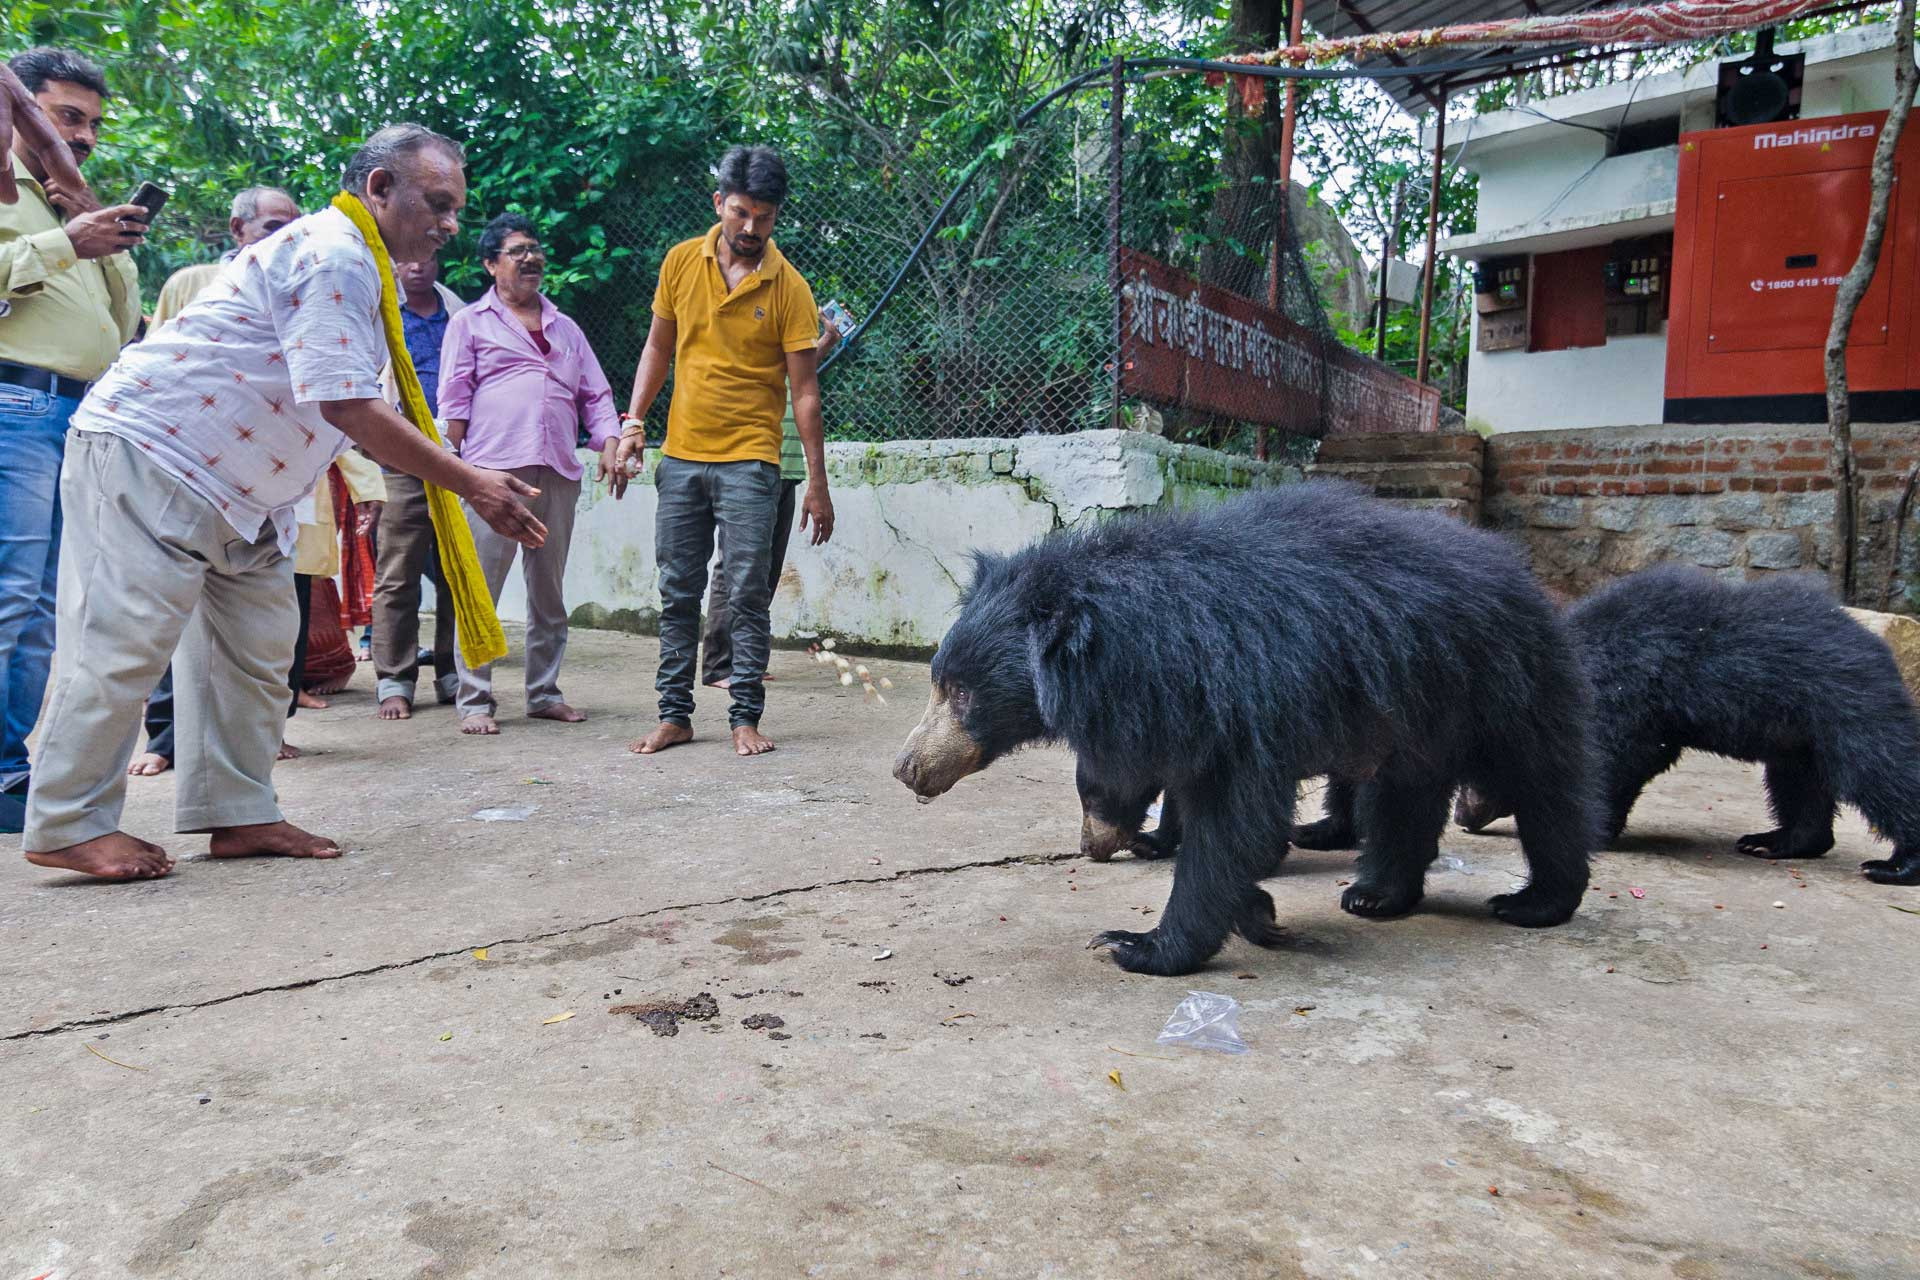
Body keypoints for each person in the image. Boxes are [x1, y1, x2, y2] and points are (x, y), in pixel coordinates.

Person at [18, 123, 546, 881]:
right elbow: (348, 408)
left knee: (259, 654)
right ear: (379, 189)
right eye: (437, 202)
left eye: (456, 207)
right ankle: (66, 822)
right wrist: (471, 483)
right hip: (156, 452)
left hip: (246, 490)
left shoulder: (369, 271)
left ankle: (237, 814)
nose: (452, 224)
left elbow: (361, 410)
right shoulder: (333, 254)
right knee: (121, 645)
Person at [612, 145, 834, 758]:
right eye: (740, 213)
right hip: (681, 458)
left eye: (763, 217)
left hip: (752, 461)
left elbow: (805, 392)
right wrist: (633, 421)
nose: (750, 229)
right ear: (719, 203)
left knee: (745, 594)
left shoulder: (789, 286)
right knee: (677, 590)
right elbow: (658, 348)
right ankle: (674, 715)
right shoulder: (681, 263)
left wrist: (816, 481)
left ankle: (744, 718)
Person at [0, 47, 146, 835]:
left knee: (42, 606)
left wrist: (91, 227)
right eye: (67, 117)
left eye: (91, 122)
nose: (84, 135)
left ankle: (11, 770)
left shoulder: (69, 198)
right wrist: (65, 242)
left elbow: (123, 321)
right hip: (13, 401)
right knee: (11, 597)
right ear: (22, 109)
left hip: (78, 414)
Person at [130, 184, 304, 778]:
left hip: (261, 482)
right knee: (167, 617)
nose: (284, 236)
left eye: (293, 225)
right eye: (271, 224)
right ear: (237, 229)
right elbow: (158, 363)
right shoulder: (193, 283)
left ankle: (241, 784)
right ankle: (163, 739)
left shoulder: (298, 289)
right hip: (181, 466)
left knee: (255, 636)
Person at [439, 213, 620, 735]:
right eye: (517, 251)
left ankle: (544, 693)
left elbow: (597, 397)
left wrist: (608, 441)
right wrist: (452, 468)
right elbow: (453, 401)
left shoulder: (566, 327)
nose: (530, 258)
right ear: (491, 263)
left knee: (549, 592)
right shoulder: (469, 324)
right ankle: (475, 701)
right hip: (491, 474)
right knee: (482, 591)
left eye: (535, 250)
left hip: (557, 471)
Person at [701, 310, 844, 689]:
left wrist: (825, 343)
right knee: (735, 568)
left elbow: (795, 374)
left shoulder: (784, 351)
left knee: (765, 571)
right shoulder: (745, 343)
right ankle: (719, 665)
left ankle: (746, 659)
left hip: (786, 467)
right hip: (748, 466)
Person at [371, 254, 464, 718]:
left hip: (456, 456)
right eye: (407, 260)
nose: (419, 267)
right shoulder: (380, 311)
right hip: (400, 457)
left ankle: (452, 671)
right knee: (398, 572)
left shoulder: (457, 312)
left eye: (429, 258)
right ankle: (394, 678)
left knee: (456, 570)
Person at [150, 186, 301, 327]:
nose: (287, 241)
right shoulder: (187, 283)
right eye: (275, 228)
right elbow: (156, 351)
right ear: (237, 228)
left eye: (295, 234)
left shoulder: (300, 291)